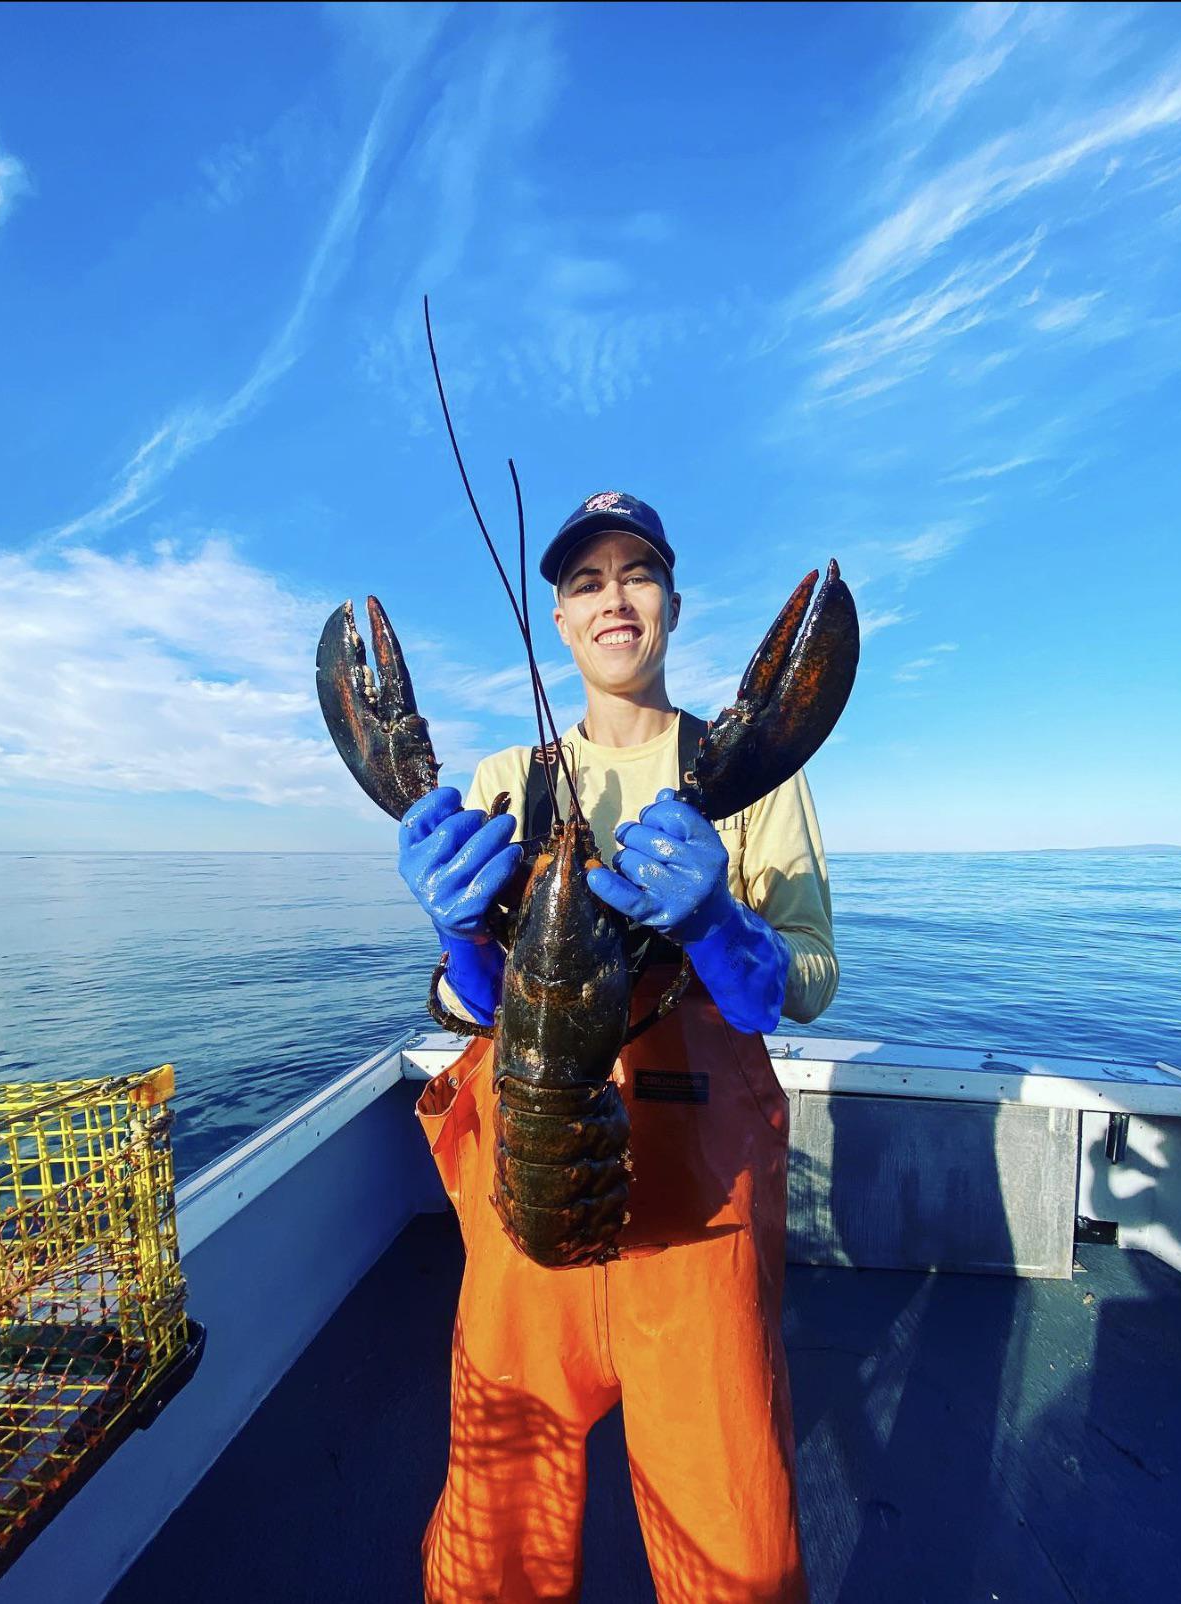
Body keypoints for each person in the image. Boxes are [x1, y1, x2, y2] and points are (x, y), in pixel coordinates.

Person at [402, 491, 838, 1604]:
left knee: (729, 1527)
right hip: (523, 1208)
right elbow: (463, 1007)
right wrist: (461, 942)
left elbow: (812, 976)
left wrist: (722, 928)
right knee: (498, 1528)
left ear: (673, 604)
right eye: (586, 580)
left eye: (636, 572)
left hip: (701, 1220)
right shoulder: (504, 783)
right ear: (558, 618)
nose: (613, 596)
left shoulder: (756, 780)